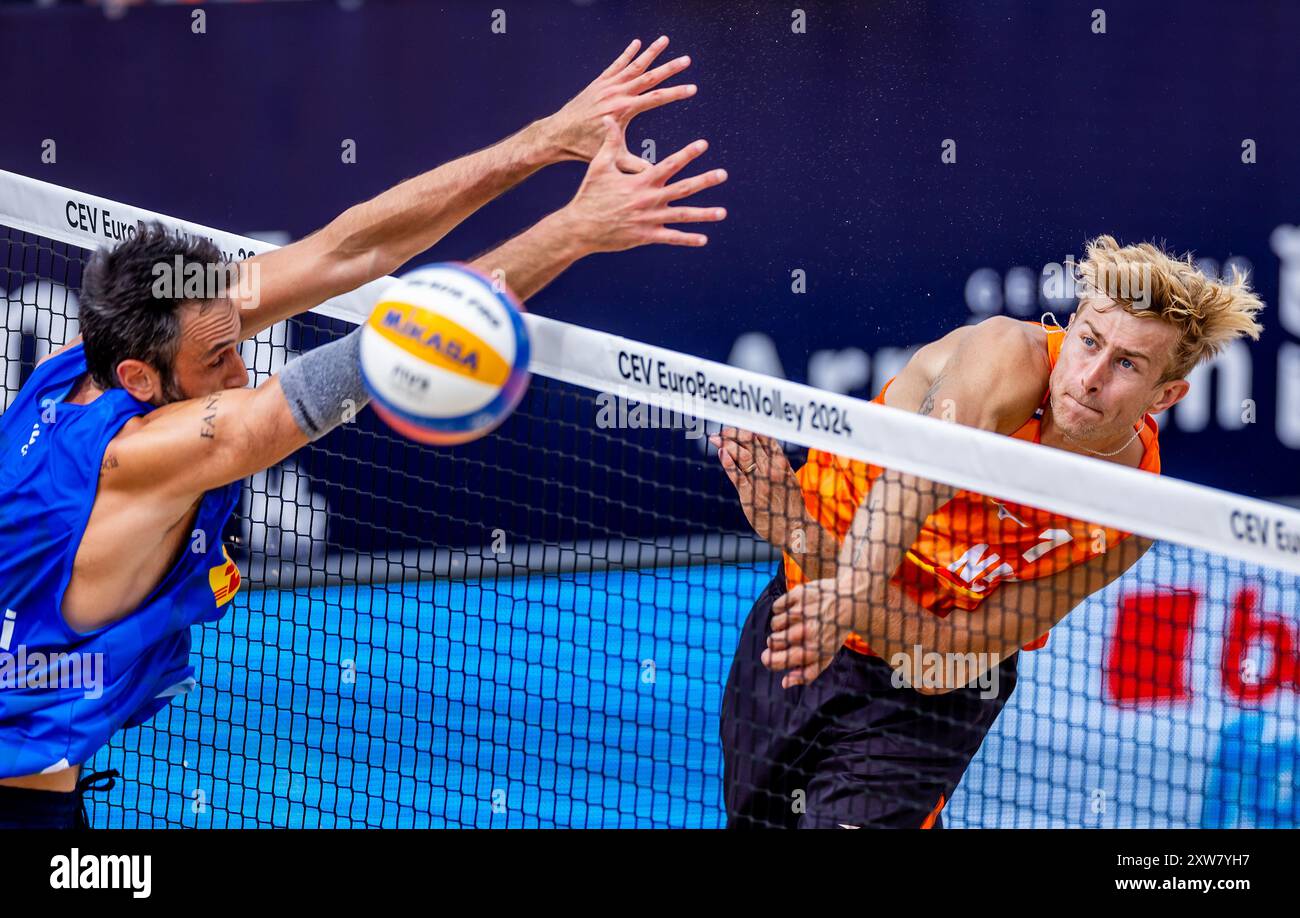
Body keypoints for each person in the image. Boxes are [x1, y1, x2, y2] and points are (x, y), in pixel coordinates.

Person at [0, 36, 727, 828]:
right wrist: (575, 229)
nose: (240, 369)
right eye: (218, 359)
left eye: (235, 340)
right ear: (142, 380)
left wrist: (547, 139)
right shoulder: (141, 456)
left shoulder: (81, 367)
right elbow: (391, 348)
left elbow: (353, 247)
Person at [715, 236, 1264, 828]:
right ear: (1072, 324)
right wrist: (829, 577)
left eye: (1127, 363)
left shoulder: (1130, 515)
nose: (1090, 377)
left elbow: (942, 667)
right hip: (802, 616)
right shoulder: (1007, 358)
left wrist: (804, 539)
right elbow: (912, 484)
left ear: (1166, 395)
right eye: (1089, 343)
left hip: (917, 699)